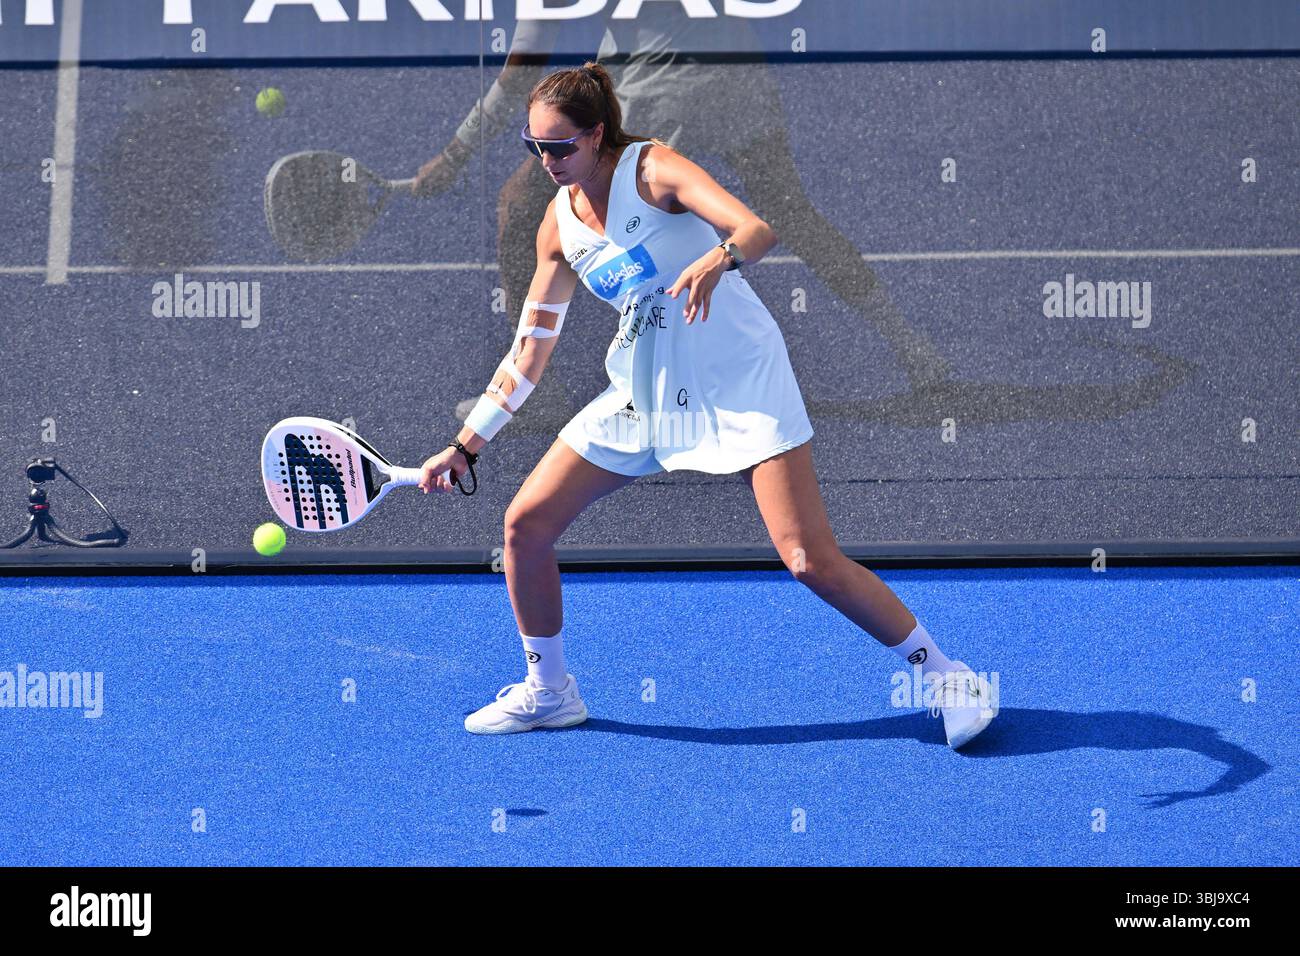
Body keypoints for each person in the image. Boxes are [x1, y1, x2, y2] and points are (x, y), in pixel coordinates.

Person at [416, 64, 994, 750]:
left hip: (740, 376)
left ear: (598, 135)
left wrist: (719, 259)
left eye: (560, 147)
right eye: (533, 147)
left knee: (808, 558)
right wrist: (465, 446)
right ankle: (550, 691)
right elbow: (529, 354)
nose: (546, 162)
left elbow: (754, 228)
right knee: (525, 525)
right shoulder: (557, 226)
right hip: (644, 390)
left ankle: (950, 676)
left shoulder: (653, 169)